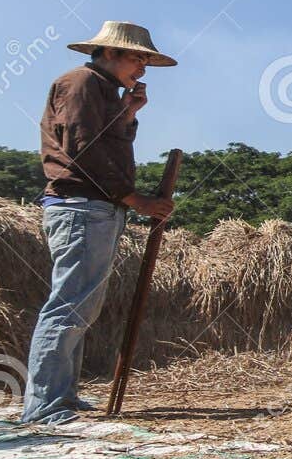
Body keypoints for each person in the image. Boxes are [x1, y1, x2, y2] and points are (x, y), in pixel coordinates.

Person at [21, 22, 178, 425]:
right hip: (82, 205)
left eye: (146, 59)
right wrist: (135, 199)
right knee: (69, 304)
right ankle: (45, 406)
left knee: (81, 305)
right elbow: (82, 148)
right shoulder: (82, 82)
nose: (142, 67)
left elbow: (104, 141)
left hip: (96, 207)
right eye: (136, 57)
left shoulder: (105, 91)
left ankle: (62, 397)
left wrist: (128, 113)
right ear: (109, 52)